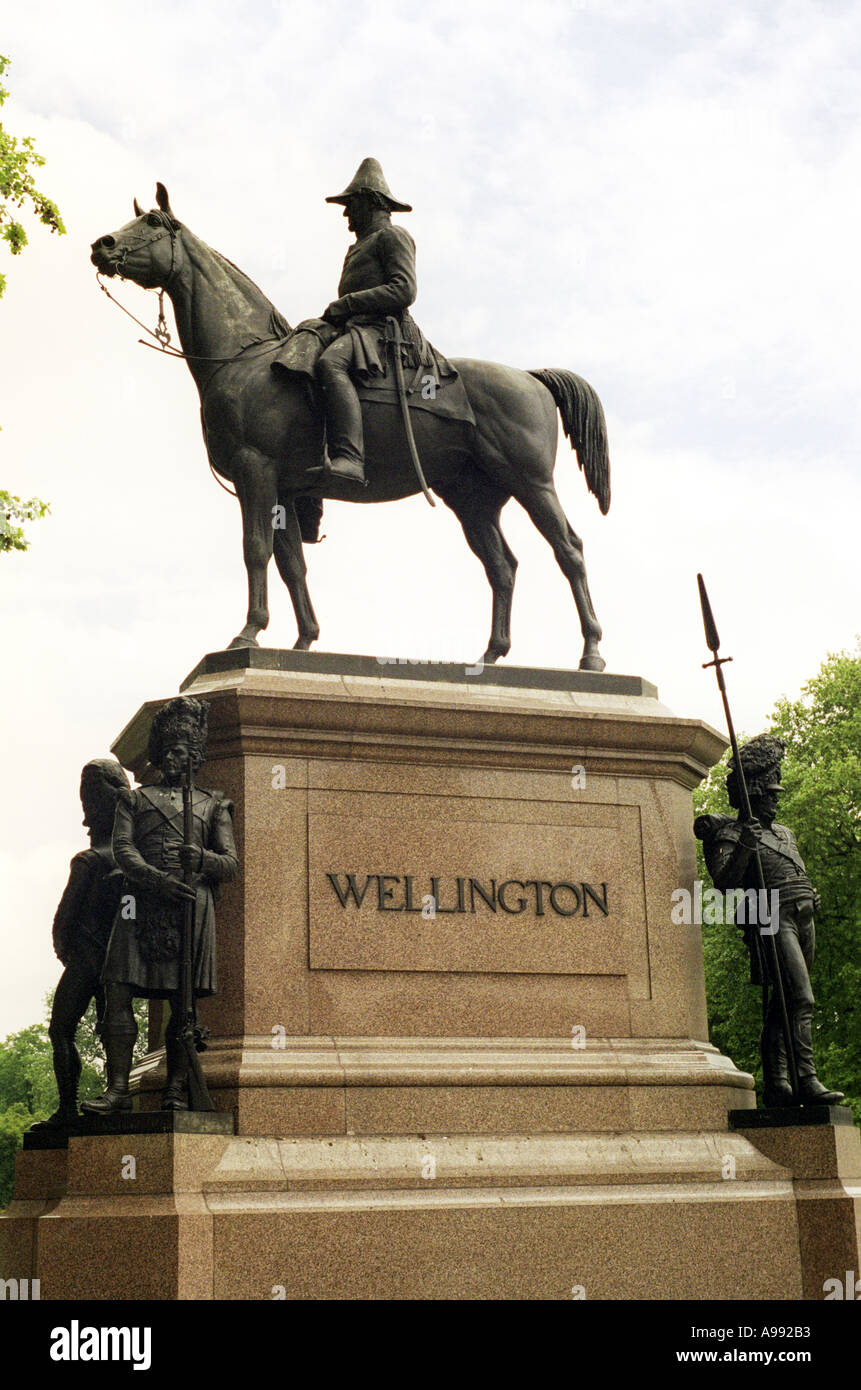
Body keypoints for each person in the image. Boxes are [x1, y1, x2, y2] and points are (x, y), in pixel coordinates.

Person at [82, 696, 238, 1114]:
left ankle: (175, 1088)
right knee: (116, 991)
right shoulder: (134, 800)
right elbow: (123, 849)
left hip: (191, 905)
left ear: (196, 757)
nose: (173, 756)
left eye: (182, 750)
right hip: (139, 901)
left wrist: (201, 860)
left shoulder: (213, 804)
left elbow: (231, 863)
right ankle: (117, 1090)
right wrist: (156, 879)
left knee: (181, 1004)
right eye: (167, 750)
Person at [695, 733, 843, 1108]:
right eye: (772, 794)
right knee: (801, 999)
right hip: (772, 918)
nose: (778, 799)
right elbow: (725, 883)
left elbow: (793, 872)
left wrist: (810, 895)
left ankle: (778, 1083)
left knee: (786, 1002)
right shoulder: (729, 833)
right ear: (755, 794)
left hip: (804, 916)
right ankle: (805, 1079)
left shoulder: (786, 834)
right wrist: (745, 842)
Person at [29, 759, 130, 1131]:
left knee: (61, 1029)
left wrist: (65, 950)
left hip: (85, 960)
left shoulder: (87, 862)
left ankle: (68, 1108)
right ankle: (115, 1094)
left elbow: (63, 920)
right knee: (113, 1028)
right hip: (117, 963)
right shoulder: (130, 863)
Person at [315, 157, 422, 485]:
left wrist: (346, 303)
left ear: (371, 203)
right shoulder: (357, 247)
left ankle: (350, 458)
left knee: (330, 364)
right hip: (356, 328)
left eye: (351, 205)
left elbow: (404, 289)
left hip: (382, 331)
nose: (346, 214)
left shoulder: (392, 237)